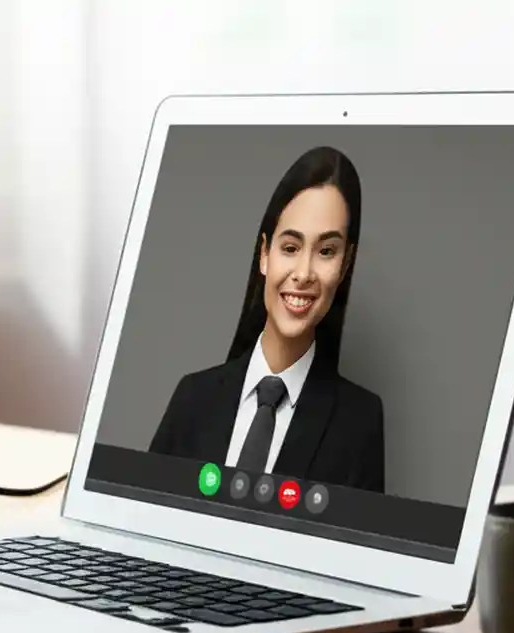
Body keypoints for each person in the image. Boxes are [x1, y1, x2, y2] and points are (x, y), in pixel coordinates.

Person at [149, 146, 385, 493]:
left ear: (345, 265)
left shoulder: (360, 422)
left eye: (326, 251)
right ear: (264, 254)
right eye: (290, 247)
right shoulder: (192, 397)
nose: (303, 273)